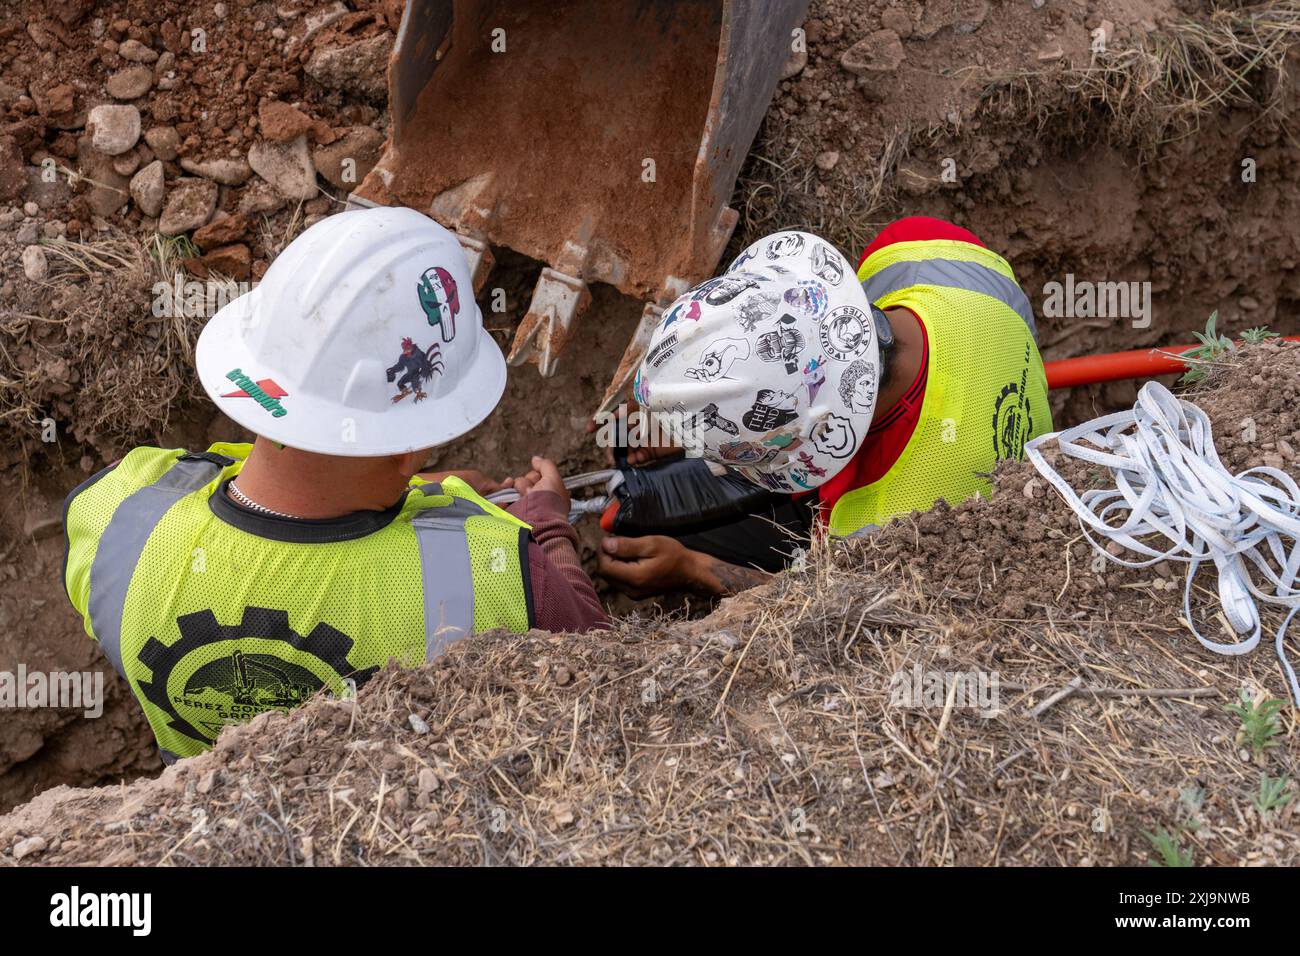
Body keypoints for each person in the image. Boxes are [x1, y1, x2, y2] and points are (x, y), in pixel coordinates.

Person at [63, 206, 607, 761]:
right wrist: (546, 523)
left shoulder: (115, 517)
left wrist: (417, 485)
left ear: (252, 387)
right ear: (411, 444)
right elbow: (602, 664)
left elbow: (247, 475)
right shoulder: (502, 574)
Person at [599, 217, 1051, 596]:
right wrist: (694, 427)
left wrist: (690, 567)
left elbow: (806, 605)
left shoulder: (882, 529)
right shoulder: (918, 250)